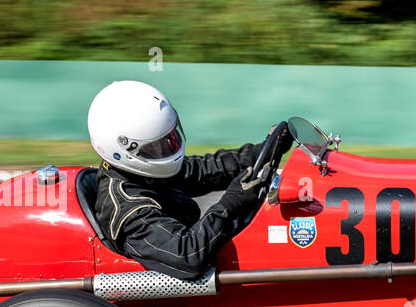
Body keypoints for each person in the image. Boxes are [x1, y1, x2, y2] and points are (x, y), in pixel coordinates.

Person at [86, 80, 291, 278]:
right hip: (179, 304)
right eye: (156, 146)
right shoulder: (130, 211)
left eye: (170, 139)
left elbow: (206, 169)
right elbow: (188, 256)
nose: (167, 148)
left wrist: (261, 151)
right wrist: (232, 203)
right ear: (125, 151)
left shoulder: (142, 173)